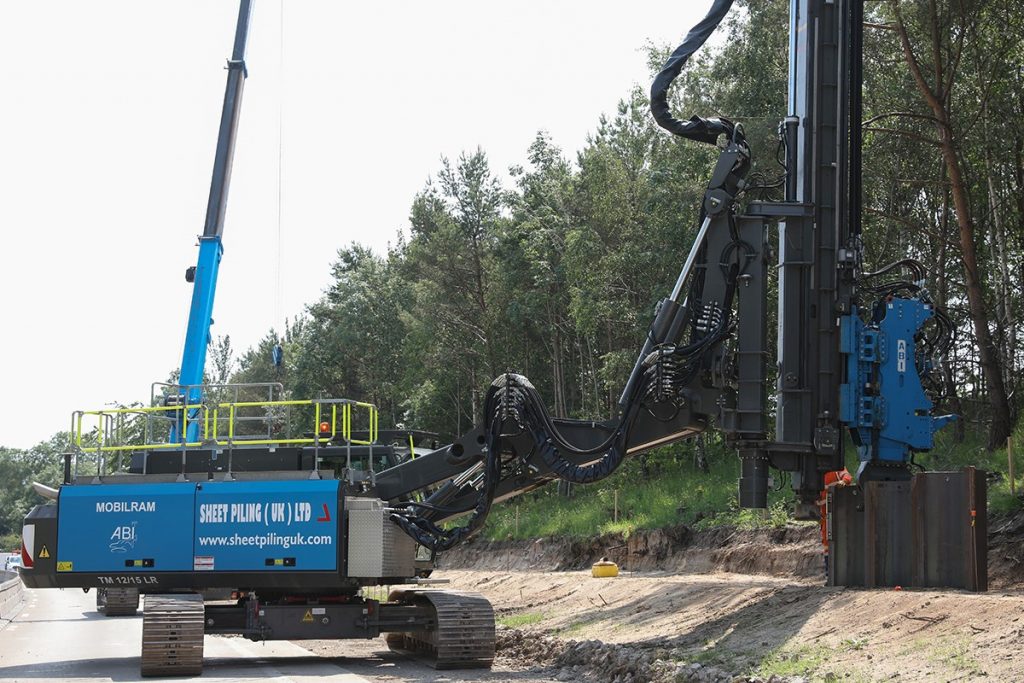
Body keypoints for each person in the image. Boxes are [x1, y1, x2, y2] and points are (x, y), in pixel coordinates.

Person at [818, 467, 853, 578]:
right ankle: (829, 573)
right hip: (824, 513)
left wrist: (843, 482)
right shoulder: (815, 471)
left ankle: (839, 572)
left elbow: (847, 477)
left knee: (841, 540)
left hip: (839, 510)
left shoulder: (836, 467)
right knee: (826, 543)